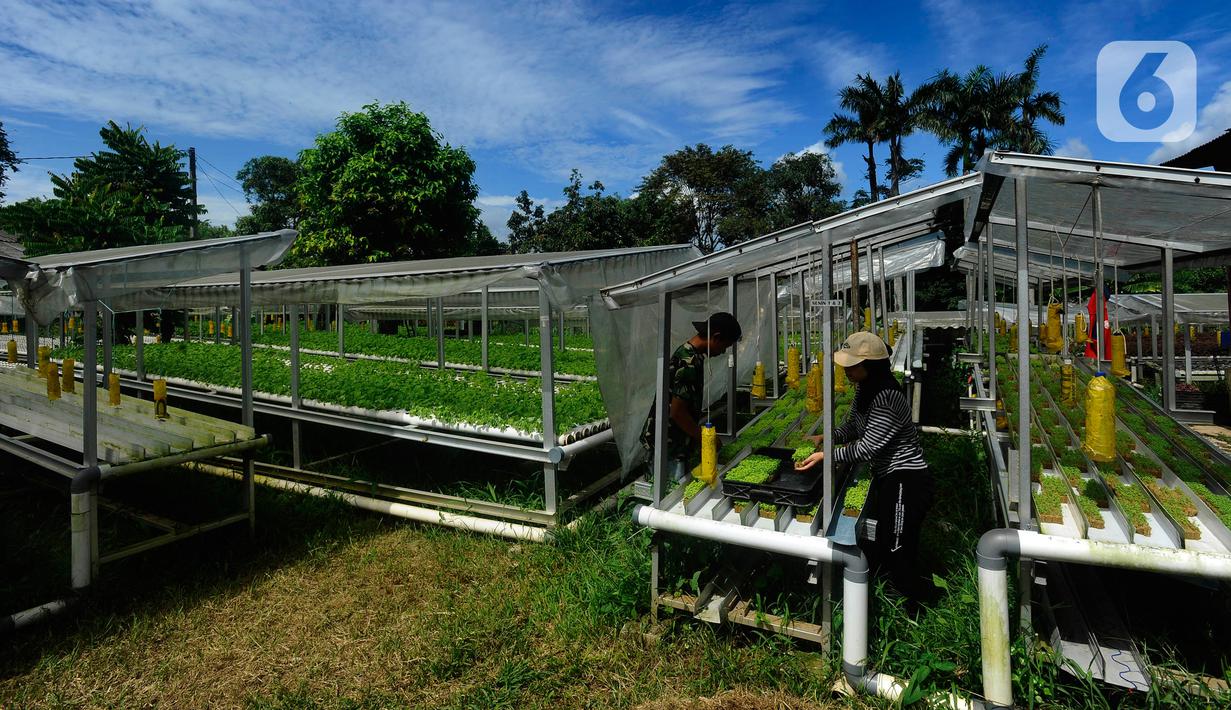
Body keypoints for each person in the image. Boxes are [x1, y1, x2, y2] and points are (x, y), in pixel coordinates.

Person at [794, 331, 933, 602]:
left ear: (868, 365)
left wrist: (827, 456)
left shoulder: (887, 397)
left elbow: (869, 446)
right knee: (886, 537)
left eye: (851, 364)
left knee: (897, 545)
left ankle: (915, 602)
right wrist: (827, 437)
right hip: (888, 476)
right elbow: (852, 427)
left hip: (907, 479)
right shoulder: (865, 390)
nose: (845, 369)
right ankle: (896, 593)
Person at [641, 312, 742, 479]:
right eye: (725, 346)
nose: (723, 351)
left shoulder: (692, 355)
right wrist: (706, 438)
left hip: (673, 441)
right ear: (715, 337)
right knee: (669, 492)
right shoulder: (689, 363)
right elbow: (677, 412)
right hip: (668, 443)